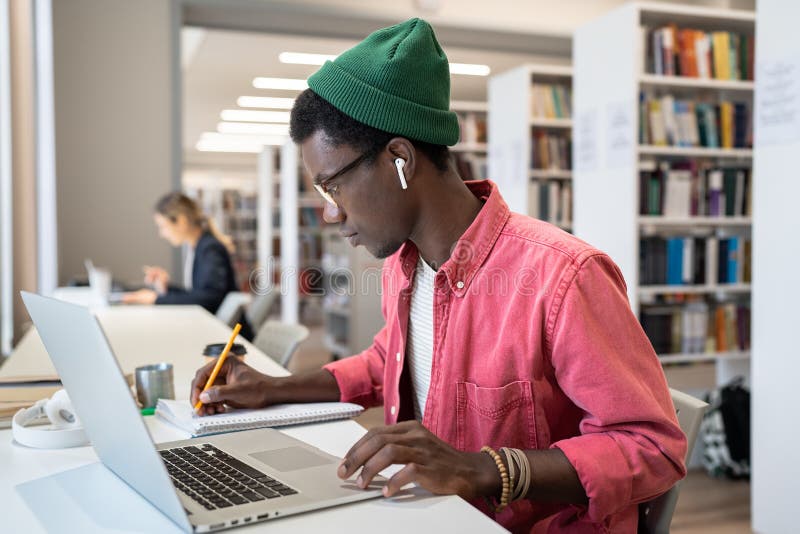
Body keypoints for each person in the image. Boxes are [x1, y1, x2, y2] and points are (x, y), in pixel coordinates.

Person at [190, 18, 686, 532]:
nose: (330, 214)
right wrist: (273, 390)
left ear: (399, 159)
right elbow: (390, 362)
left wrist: (484, 469)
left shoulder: (564, 276)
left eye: (331, 186)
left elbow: (652, 447)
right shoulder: (404, 267)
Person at [122, 192, 239, 316]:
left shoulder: (209, 248)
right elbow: (197, 295)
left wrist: (155, 299)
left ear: (181, 221)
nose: (162, 234)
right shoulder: (198, 247)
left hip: (228, 332)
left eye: (163, 226)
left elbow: (209, 299)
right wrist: (166, 287)